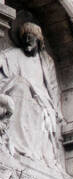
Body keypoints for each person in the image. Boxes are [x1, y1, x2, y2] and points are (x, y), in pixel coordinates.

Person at [0, 20, 63, 166]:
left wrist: (58, 111)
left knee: (42, 113)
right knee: (21, 88)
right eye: (24, 36)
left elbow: (52, 87)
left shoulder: (46, 62)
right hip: (20, 94)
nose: (27, 39)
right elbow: (3, 59)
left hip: (42, 101)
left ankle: (36, 154)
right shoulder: (14, 54)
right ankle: (21, 147)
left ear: (39, 39)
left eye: (30, 36)